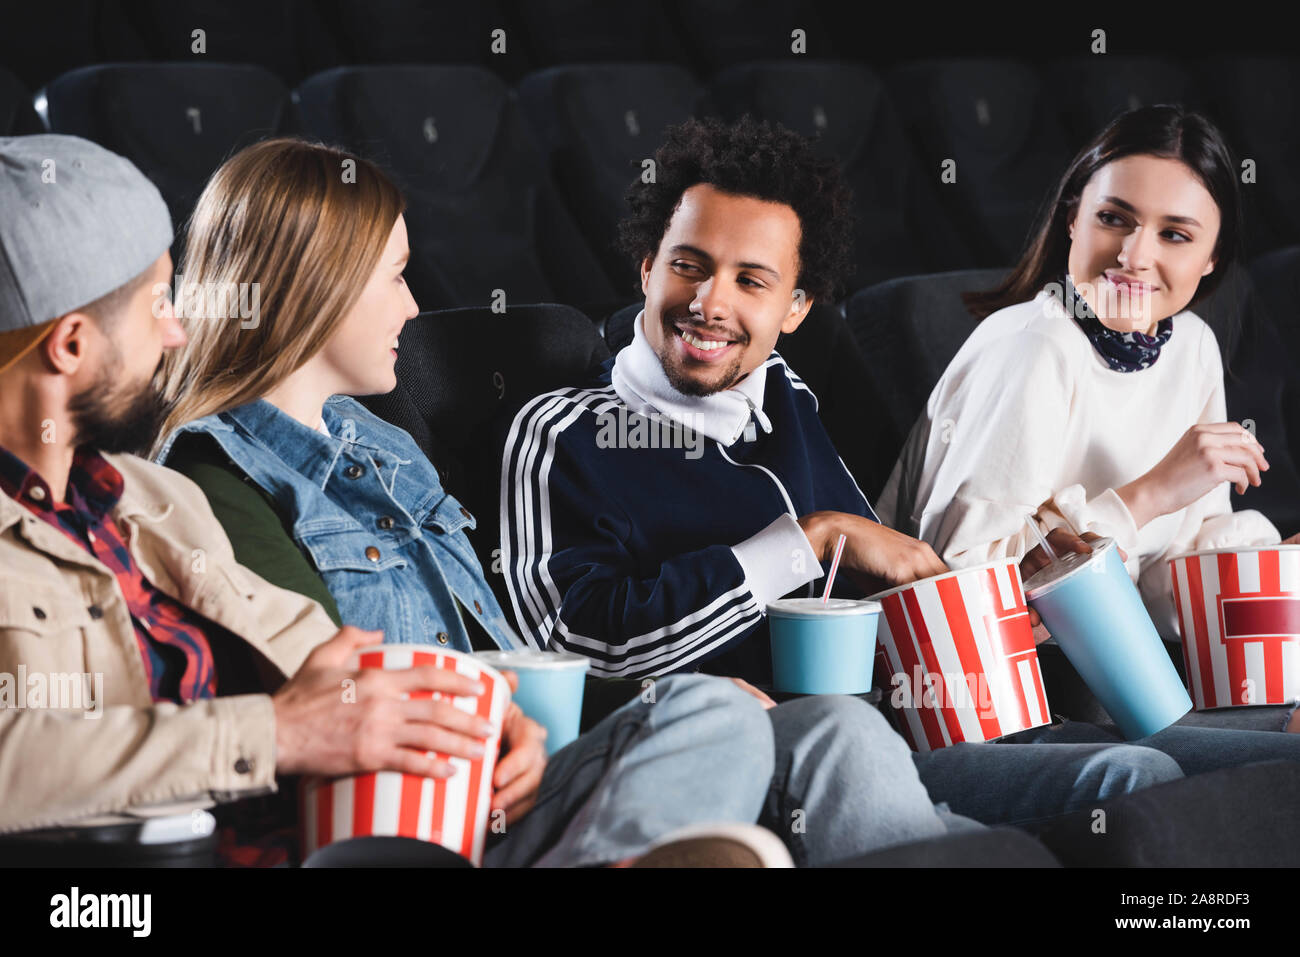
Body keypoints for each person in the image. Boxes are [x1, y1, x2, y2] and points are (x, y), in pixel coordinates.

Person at [153, 136, 1006, 867]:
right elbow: (329, 704)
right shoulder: (213, 482)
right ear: (317, 287)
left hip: (519, 773)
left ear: (796, 307)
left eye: (754, 281)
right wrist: (638, 706)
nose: (414, 309)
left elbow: (514, 660)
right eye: (396, 277)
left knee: (831, 732)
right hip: (425, 815)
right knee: (716, 712)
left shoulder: (387, 452)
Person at [0, 133, 795, 868]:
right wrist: (277, 732)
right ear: (70, 345)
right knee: (714, 725)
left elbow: (323, 656)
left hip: (439, 789)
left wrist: (497, 708)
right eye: (157, 307)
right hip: (336, 832)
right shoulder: (207, 471)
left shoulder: (146, 498)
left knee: (757, 724)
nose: (180, 332)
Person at [500, 115, 1185, 831]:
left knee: (1138, 776)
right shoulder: (561, 432)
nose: (711, 302)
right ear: (647, 266)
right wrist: (811, 538)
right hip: (736, 767)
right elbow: (579, 647)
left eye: (751, 281)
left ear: (794, 309)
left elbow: (879, 579)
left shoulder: (784, 397)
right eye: (688, 265)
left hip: (893, 735)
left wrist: (1002, 603)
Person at [876, 105, 1300, 741]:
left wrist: (1264, 571)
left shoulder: (1191, 346)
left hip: (1119, 669)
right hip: (987, 696)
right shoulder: (1033, 346)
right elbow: (963, 589)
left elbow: (1165, 584)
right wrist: (1147, 496)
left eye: (1175, 235)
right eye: (1113, 219)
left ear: (1212, 258)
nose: (1133, 255)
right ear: (1073, 216)